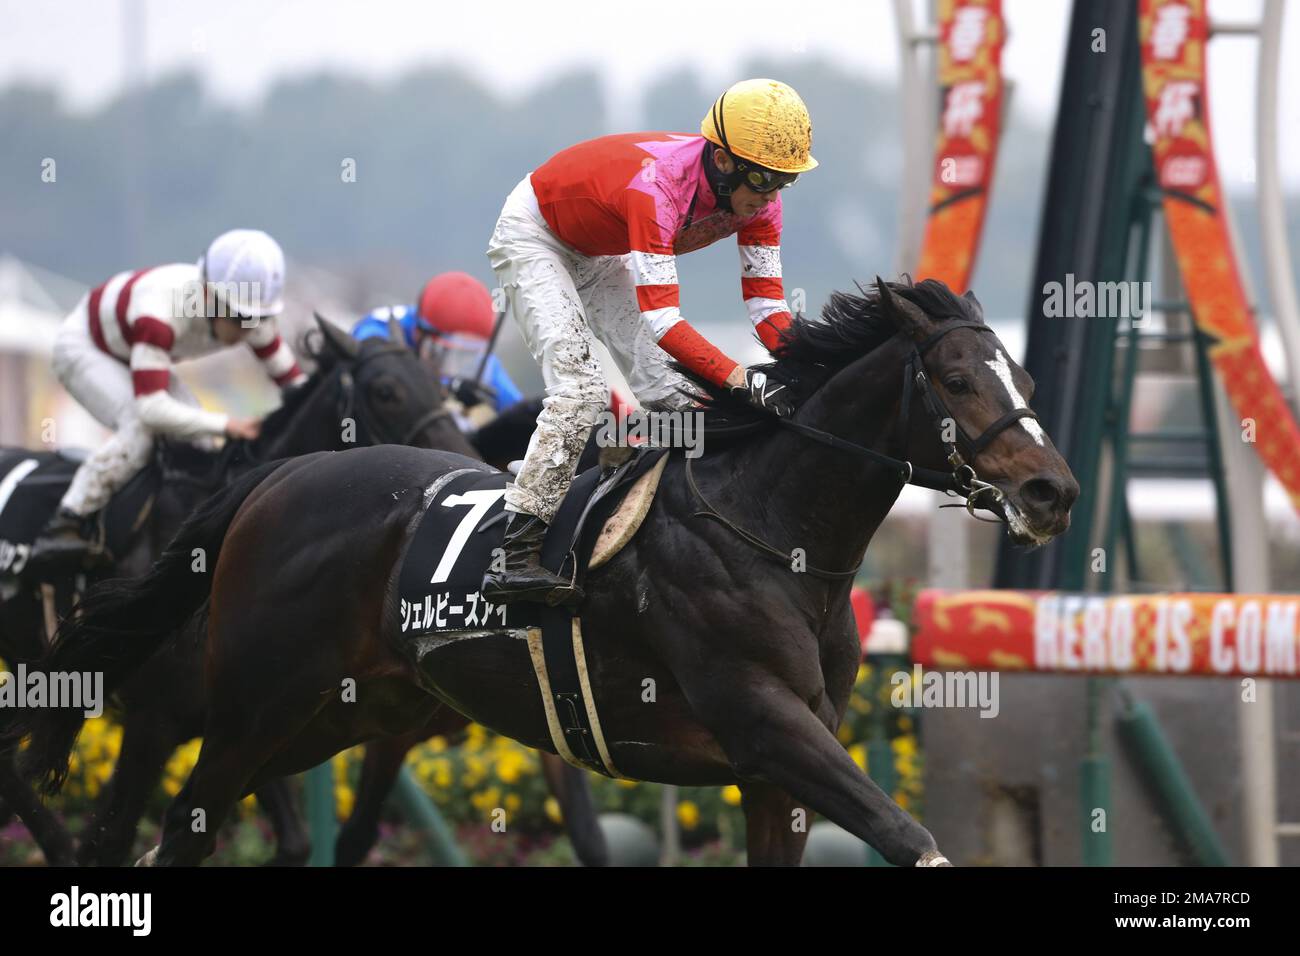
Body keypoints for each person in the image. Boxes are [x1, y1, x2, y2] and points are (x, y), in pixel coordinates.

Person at [480, 78, 816, 606]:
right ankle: (516, 549)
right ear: (724, 162)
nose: (771, 199)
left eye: (784, 183)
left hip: (599, 245)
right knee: (580, 391)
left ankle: (639, 480)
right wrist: (739, 378)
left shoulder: (760, 204)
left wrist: (813, 364)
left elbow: (767, 307)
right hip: (537, 235)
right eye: (765, 180)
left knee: (676, 395)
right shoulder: (656, 188)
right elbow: (664, 322)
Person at [28, 229, 306, 566]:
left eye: (258, 319)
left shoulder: (248, 307)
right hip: (86, 349)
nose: (250, 329)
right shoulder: (161, 313)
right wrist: (229, 424)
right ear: (207, 295)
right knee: (140, 431)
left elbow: (296, 385)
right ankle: (66, 522)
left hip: (133, 351)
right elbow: (151, 410)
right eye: (239, 318)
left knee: (202, 440)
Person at [352, 271, 522, 413]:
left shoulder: (484, 362)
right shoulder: (376, 331)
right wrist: (450, 388)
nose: (451, 371)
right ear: (418, 333)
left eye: (466, 356)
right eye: (444, 354)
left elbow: (518, 409)